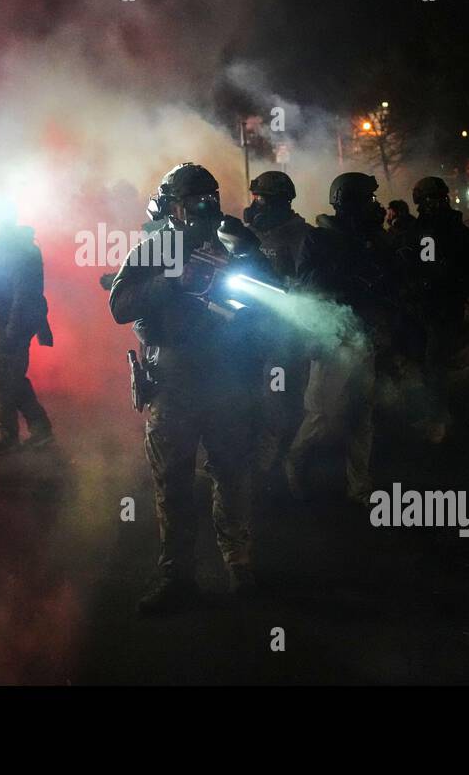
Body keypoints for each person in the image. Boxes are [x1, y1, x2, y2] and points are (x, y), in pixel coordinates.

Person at [110, 163, 274, 616]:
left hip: (227, 383)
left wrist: (243, 273)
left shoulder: (235, 242)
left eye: (211, 198)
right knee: (174, 485)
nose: (206, 208)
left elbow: (273, 300)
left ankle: (239, 566)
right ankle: (177, 575)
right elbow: (120, 305)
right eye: (194, 200)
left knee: (233, 476)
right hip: (174, 387)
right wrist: (172, 282)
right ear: (173, 208)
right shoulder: (155, 249)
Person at [285, 172, 395, 503]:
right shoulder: (320, 240)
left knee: (361, 414)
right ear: (349, 203)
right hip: (333, 339)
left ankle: (359, 486)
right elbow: (310, 286)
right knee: (320, 414)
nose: (375, 206)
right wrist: (351, 258)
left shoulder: (372, 239)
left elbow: (387, 285)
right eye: (368, 200)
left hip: (364, 336)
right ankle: (294, 467)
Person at [400, 176, 469, 443]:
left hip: (443, 309)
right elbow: (406, 264)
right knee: (424, 363)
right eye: (430, 199)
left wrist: (452, 294)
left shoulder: (457, 232)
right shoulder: (416, 230)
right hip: (421, 308)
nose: (435, 204)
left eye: (438, 199)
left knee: (436, 365)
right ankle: (433, 413)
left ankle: (438, 419)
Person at [242, 170, 312, 481]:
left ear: (280, 203)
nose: (255, 205)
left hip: (283, 335)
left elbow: (305, 286)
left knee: (279, 396)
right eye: (254, 198)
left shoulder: (301, 236)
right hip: (250, 329)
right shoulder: (253, 234)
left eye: (261, 199)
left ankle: (277, 461)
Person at [0, 199, 54, 456]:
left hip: (8, 328)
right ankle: (41, 430)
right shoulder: (3, 249)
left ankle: (6, 436)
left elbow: (23, 295)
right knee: (13, 379)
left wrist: (11, 332)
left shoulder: (19, 251)